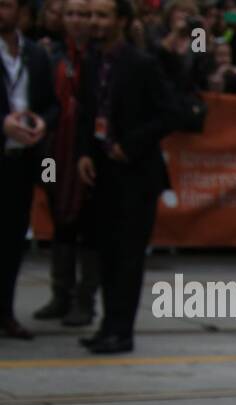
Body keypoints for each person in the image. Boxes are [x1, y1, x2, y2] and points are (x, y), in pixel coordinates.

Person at [75, 0, 174, 354]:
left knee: (128, 256)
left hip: (135, 174)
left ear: (120, 20)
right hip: (103, 170)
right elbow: (89, 112)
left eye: (102, 16)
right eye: (91, 16)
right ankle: (107, 324)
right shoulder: (91, 61)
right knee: (106, 252)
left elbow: (168, 113)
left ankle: (122, 329)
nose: (95, 23)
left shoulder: (141, 63)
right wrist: (85, 152)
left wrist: (130, 145)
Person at [1, 0, 58, 341]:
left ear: (21, 12)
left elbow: (52, 104)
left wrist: (41, 123)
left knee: (12, 241)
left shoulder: (36, 54)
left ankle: (5, 311)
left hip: (22, 161)